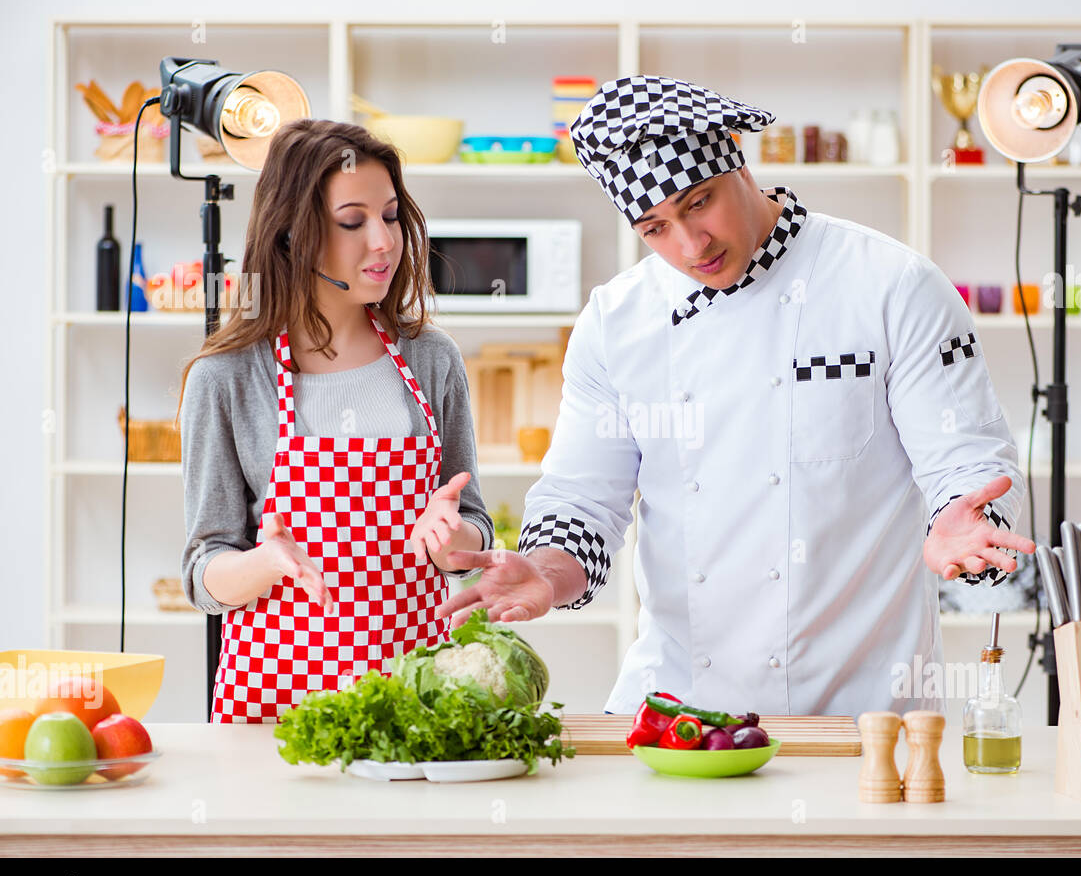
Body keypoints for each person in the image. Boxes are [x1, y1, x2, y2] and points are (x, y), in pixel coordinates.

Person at [436, 76, 1035, 716]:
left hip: (862, 719)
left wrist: (970, 526)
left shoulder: (892, 285)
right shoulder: (617, 321)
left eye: (699, 202)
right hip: (674, 715)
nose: (692, 246)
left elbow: (969, 463)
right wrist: (547, 572)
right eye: (655, 227)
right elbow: (582, 500)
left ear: (737, 158)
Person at [179, 119, 492, 722]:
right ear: (294, 235)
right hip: (276, 709)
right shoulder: (228, 378)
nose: (383, 240)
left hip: (416, 697)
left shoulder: (431, 358)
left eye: (392, 216)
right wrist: (263, 564)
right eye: (353, 221)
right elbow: (204, 571)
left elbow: (472, 522)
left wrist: (453, 541)